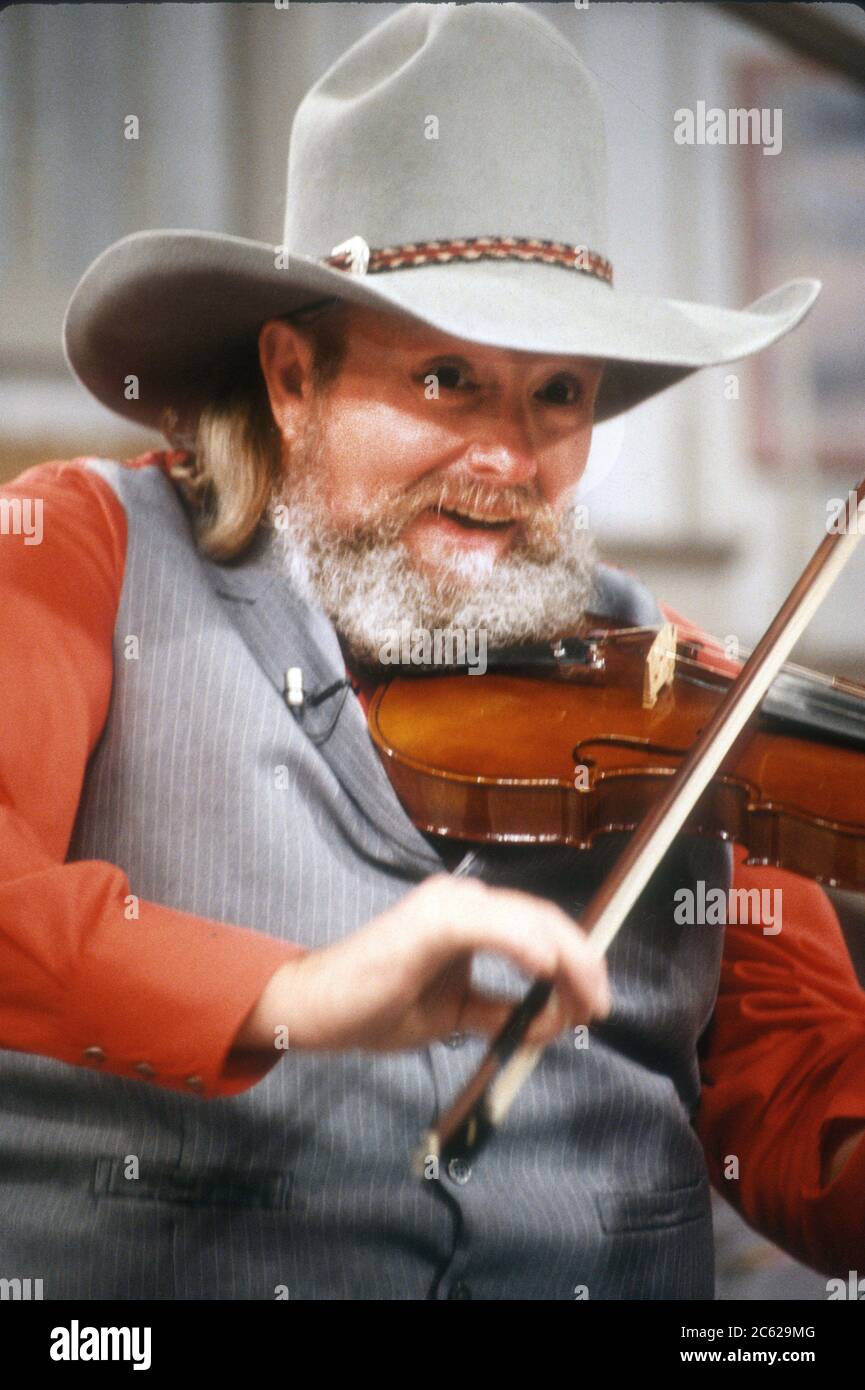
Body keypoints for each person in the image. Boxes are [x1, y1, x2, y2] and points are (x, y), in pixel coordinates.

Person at [1, 2, 860, 1300]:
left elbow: (802, 1112)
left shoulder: (682, 695)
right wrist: (292, 989)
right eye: (446, 380)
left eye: (557, 393)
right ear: (289, 375)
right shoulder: (74, 548)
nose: (507, 460)